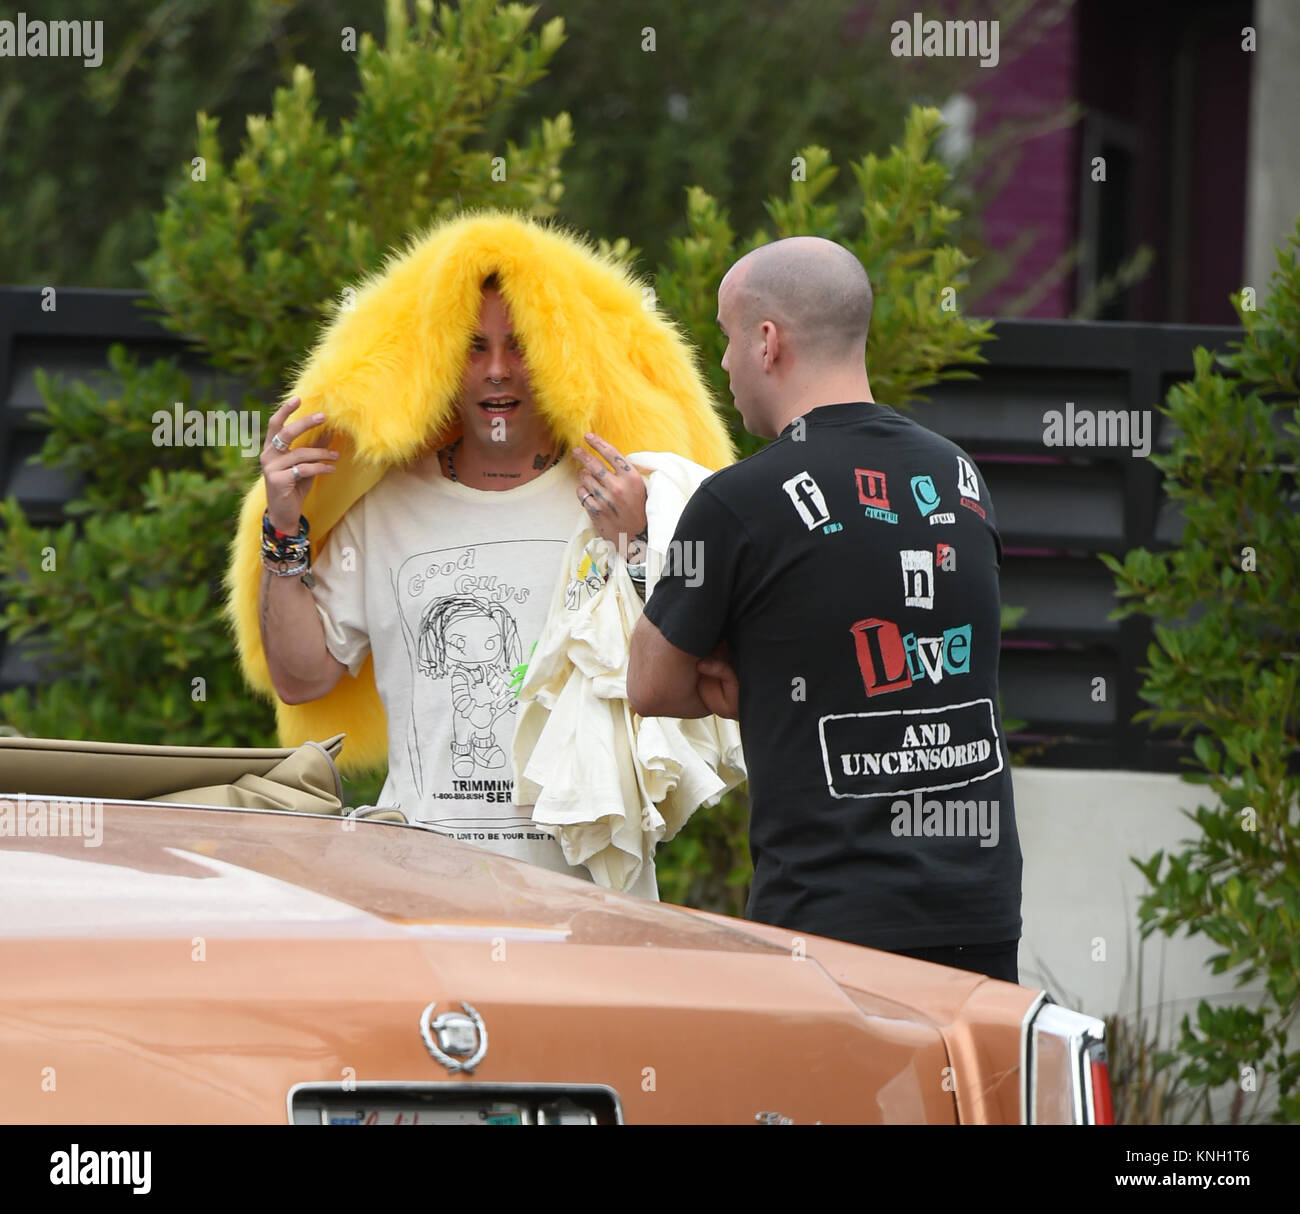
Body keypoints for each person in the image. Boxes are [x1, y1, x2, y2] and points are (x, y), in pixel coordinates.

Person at [231, 213, 735, 895]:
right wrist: (284, 527)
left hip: (595, 908)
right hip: (422, 901)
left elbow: (703, 681)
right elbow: (302, 681)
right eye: (472, 347)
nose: (498, 370)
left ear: (559, 350)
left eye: (519, 344)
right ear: (438, 359)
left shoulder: (622, 496)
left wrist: (640, 549)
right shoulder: (384, 509)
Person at [627, 236, 1022, 981]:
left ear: (768, 342)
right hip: (980, 907)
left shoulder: (736, 501)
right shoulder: (960, 476)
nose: (723, 364)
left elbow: (649, 684)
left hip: (826, 919)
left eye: (725, 337)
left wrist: (765, 686)